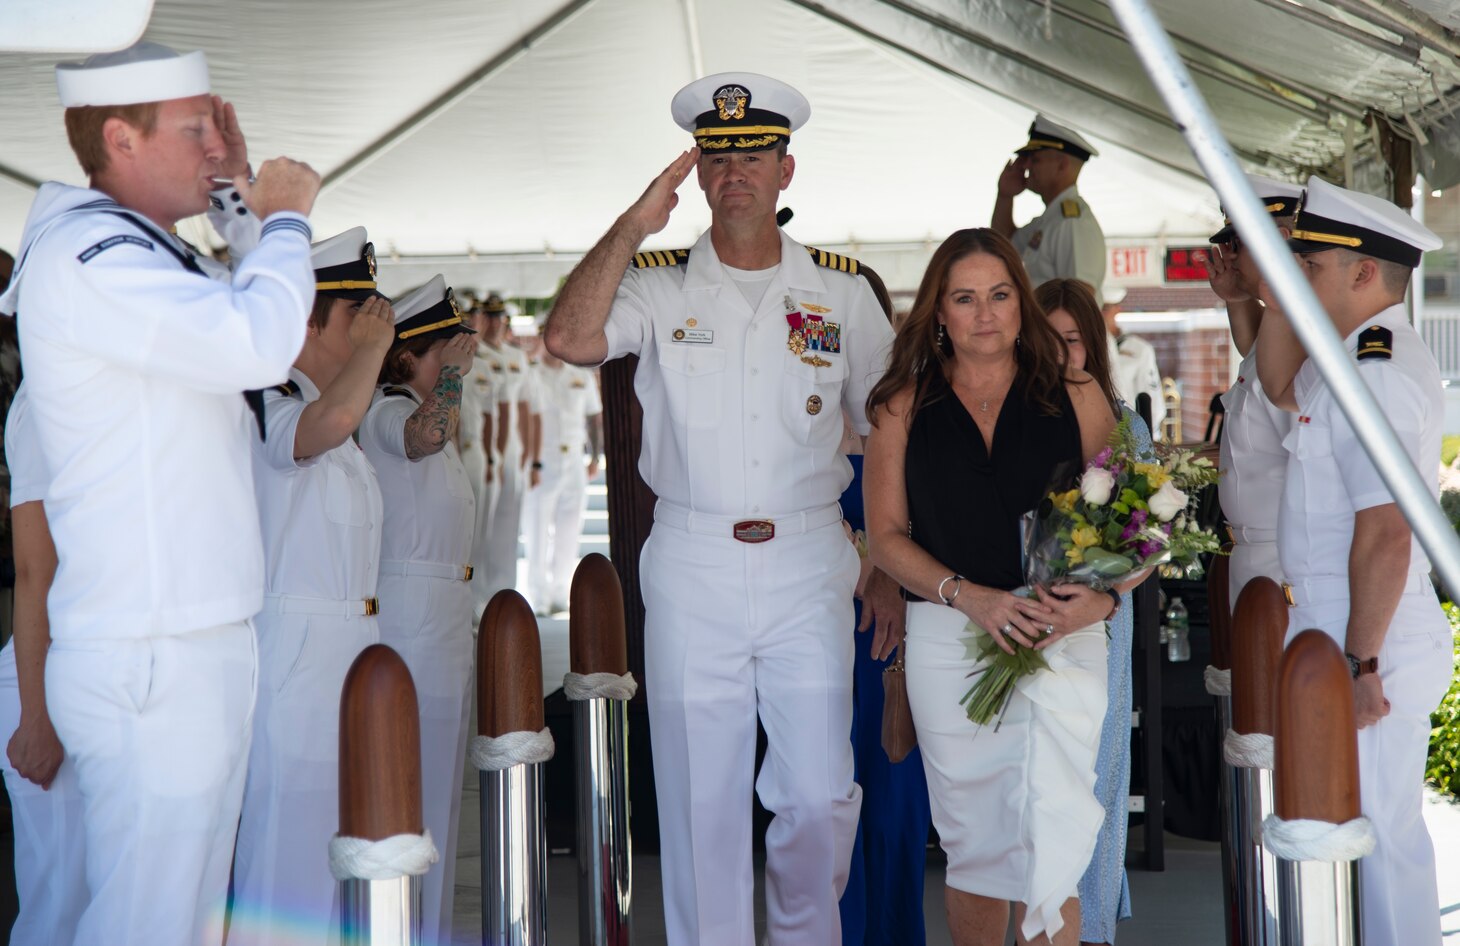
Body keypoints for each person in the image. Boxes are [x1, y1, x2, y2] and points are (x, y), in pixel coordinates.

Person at [544, 71, 895, 944]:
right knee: (701, 805)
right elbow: (567, 339)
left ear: (786, 169)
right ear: (696, 173)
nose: (734, 171)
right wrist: (633, 226)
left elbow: (890, 432)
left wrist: (885, 562)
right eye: (716, 155)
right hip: (694, 562)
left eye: (754, 154)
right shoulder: (657, 281)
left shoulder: (844, 291)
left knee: (818, 796)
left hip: (810, 558)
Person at [0, 41, 318, 944]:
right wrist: (285, 218)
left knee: (177, 920)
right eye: (194, 131)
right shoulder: (94, 256)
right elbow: (259, 341)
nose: (215, 148)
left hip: (180, 640)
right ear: (119, 139)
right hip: (153, 650)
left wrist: (240, 193)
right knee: (145, 924)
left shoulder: (146, 255)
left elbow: (256, 321)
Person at [864, 228, 1133, 946]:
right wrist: (968, 596)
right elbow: (885, 535)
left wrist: (1102, 602)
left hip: (1060, 633)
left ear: (1022, 302)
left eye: (1000, 294)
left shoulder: (1075, 392)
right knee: (976, 846)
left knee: (1057, 834)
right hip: (949, 638)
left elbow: (1135, 523)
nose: (985, 313)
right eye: (965, 298)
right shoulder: (899, 404)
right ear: (939, 312)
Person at [1256, 175, 1451, 946]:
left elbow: (1387, 532)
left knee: (1378, 852)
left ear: (1364, 273)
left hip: (1368, 640)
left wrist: (1360, 662)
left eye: (1309, 265)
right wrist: (1280, 289)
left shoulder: (1373, 367)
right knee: (1351, 843)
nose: (1294, 277)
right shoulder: (1346, 358)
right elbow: (1276, 384)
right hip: (1345, 634)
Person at [230, 228, 393, 944]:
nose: (367, 330)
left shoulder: (337, 414)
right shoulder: (268, 398)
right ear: (306, 321)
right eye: (355, 315)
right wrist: (376, 352)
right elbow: (327, 423)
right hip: (295, 652)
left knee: (338, 843)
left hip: (350, 645)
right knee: (286, 848)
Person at [359, 275, 477, 946]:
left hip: (442, 620)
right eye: (444, 354)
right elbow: (423, 437)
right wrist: (452, 382)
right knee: (413, 792)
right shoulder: (386, 410)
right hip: (411, 621)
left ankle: (425, 930)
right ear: (409, 357)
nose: (456, 365)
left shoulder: (424, 406)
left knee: (438, 795)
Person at [1036, 278, 1155, 946]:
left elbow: (1150, 542)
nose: (1057, 354)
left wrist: (1105, 597)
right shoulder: (1006, 414)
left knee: (1096, 779)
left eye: (1071, 340)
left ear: (1095, 342)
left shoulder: (1122, 422)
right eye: (1044, 340)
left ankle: (1093, 930)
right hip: (1019, 622)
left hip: (1101, 619)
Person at [838, 265, 930, 946]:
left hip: (886, 625)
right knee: (824, 795)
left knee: (892, 793)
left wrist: (885, 573)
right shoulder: (803, 401)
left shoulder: (909, 409)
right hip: (811, 621)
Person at [0, 383, 87, 946]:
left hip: (95, 675)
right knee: (61, 913)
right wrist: (38, 715)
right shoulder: (47, 402)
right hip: (51, 679)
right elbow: (35, 569)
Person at [1205, 175, 1302, 601]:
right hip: (1256, 554)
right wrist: (1237, 297)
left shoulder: (1303, 328)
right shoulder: (1280, 324)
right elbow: (1256, 353)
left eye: (1238, 245)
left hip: (1282, 561)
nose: (1230, 258)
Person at [523, 341, 602, 615]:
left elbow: (593, 416)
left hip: (574, 461)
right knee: (537, 528)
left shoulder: (580, 374)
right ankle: (538, 594)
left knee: (569, 528)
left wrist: (595, 455)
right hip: (542, 460)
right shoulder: (531, 372)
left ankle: (560, 591)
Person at [992, 115, 1106, 300]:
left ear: (1062, 165)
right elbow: (1004, 245)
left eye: (1035, 160)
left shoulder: (1071, 222)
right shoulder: (1052, 219)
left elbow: (1081, 298)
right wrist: (1005, 196)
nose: (1026, 166)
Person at [475, 293, 533, 603]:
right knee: (482, 526)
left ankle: (505, 593)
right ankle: (481, 595)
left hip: (513, 451)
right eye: (491, 317)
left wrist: (528, 453)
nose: (496, 323)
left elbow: (525, 407)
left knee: (509, 526)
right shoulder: (476, 355)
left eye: (501, 318)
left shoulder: (516, 357)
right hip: (487, 450)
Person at [1099, 287, 1165, 435]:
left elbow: (1153, 403)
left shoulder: (1139, 349)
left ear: (1117, 309)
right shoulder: (1087, 348)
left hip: (1133, 434)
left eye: (1105, 308)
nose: (1101, 314)